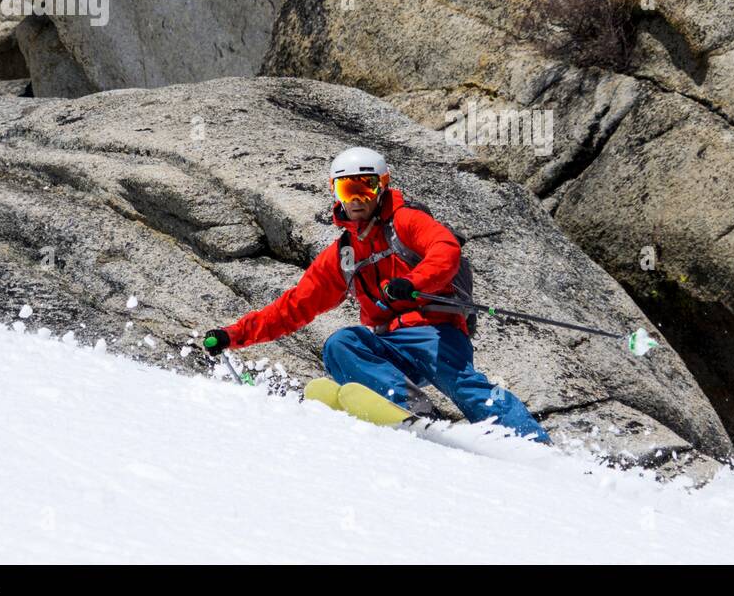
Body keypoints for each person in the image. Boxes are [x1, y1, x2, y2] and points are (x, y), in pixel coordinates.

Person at [204, 147, 550, 443]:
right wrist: (233, 335)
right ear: (334, 192)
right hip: (390, 343)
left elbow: (444, 249)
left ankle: (533, 444)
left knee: (463, 386)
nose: (355, 199)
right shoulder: (345, 254)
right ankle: (406, 407)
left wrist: (415, 281)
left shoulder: (406, 221)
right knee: (340, 344)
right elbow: (294, 306)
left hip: (435, 332)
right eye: (346, 189)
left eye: (365, 188)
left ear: (382, 187)